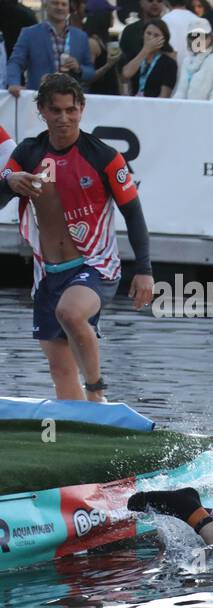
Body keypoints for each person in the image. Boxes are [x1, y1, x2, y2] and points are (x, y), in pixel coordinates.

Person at [0, 74, 153, 403]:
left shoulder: (104, 157)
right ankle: (79, 432)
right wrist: (10, 182)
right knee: (60, 368)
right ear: (41, 110)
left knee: (70, 313)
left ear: (82, 109)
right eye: (55, 111)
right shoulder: (29, 153)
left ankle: (97, 392)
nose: (63, 119)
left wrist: (144, 269)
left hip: (95, 264)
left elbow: (134, 214)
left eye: (71, 110)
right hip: (47, 272)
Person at [6, 0, 95, 96]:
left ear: (69, 8)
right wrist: (14, 83)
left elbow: (91, 72)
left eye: (64, 4)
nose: (60, 7)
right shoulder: (29, 34)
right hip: (39, 99)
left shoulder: (81, 37)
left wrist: (79, 69)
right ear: (46, 6)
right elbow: (15, 62)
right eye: (55, 3)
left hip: (71, 101)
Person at [122, 19, 177, 96]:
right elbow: (126, 74)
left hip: (153, 105)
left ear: (163, 40)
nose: (151, 37)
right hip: (133, 103)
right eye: (148, 33)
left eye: (156, 35)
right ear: (143, 35)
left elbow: (164, 95)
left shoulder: (169, 63)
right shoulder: (135, 56)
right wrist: (145, 50)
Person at [118, 0, 167, 81]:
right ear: (141, 2)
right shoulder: (130, 31)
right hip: (135, 88)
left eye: (159, 0)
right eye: (150, 0)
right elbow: (122, 74)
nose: (155, 3)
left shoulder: (169, 28)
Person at [163, 0, 203, 76]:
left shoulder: (165, 20)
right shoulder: (198, 21)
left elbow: (169, 53)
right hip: (194, 77)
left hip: (172, 78)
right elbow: (200, 55)